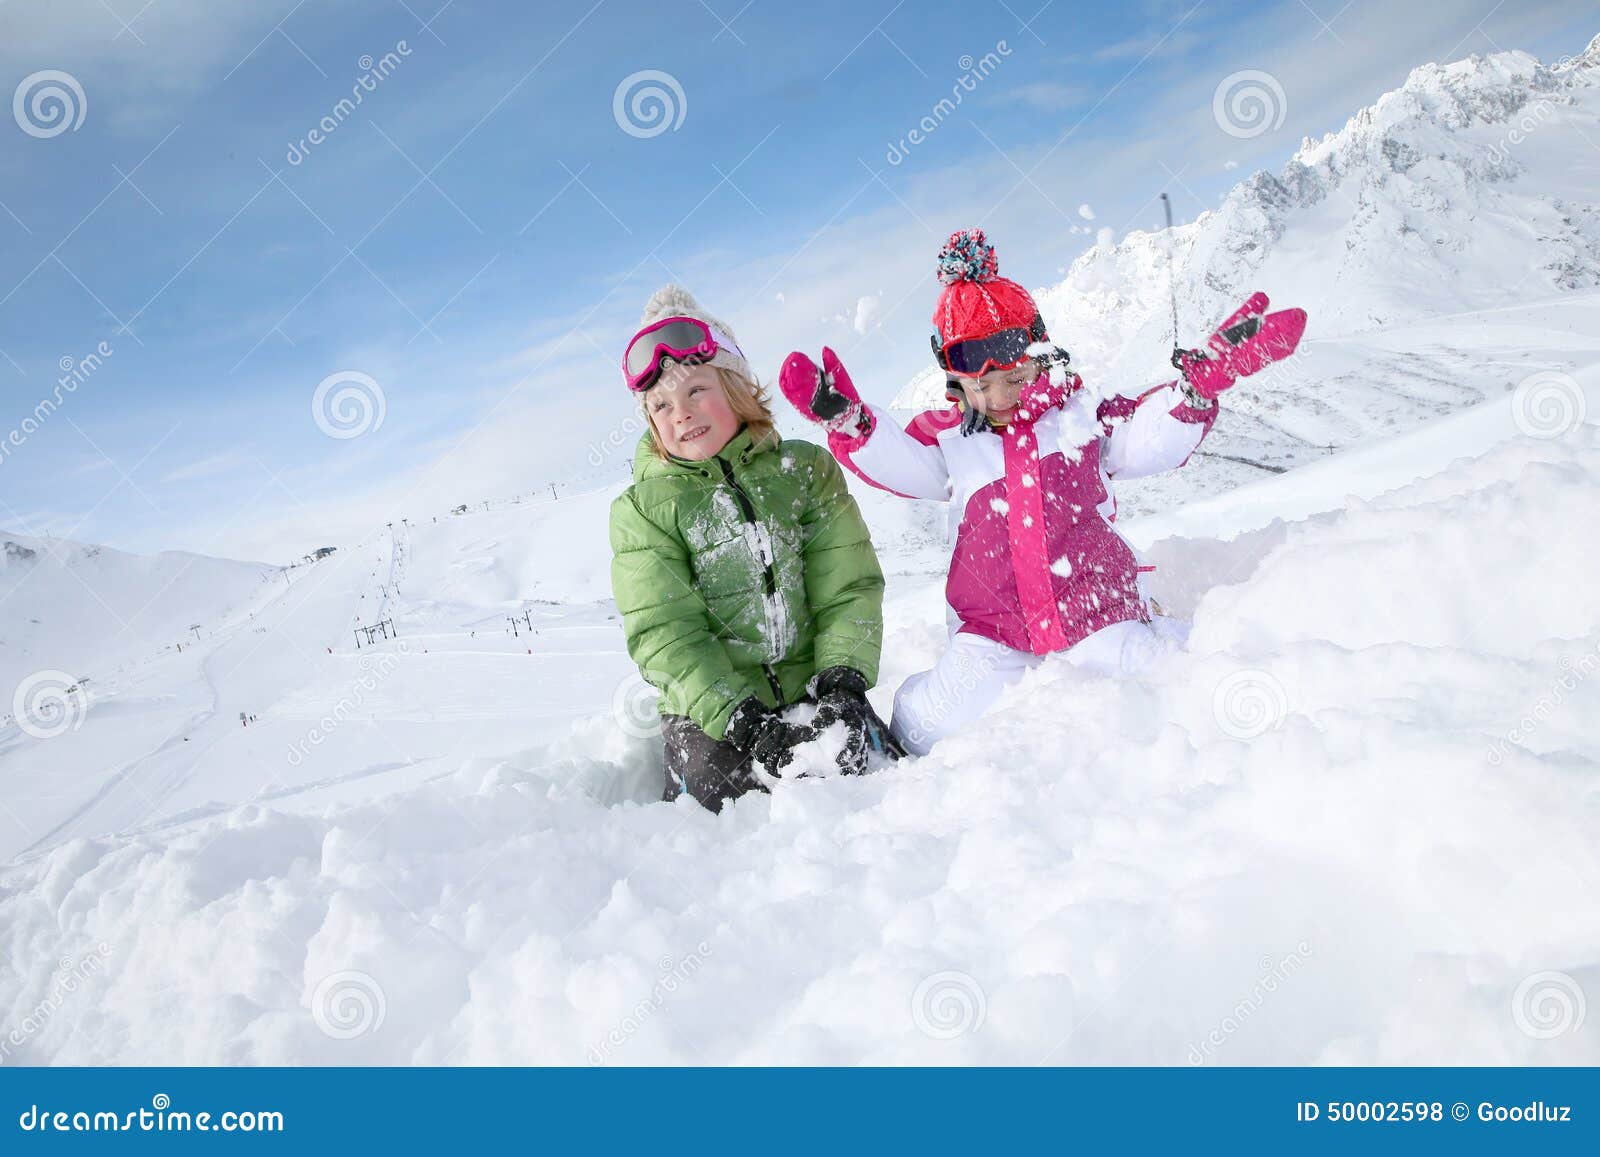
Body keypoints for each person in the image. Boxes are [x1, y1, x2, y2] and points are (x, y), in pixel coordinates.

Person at [779, 228, 1305, 755]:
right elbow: (904, 464)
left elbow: (1146, 439)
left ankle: (1218, 644)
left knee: (1167, 676)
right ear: (956, 383)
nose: (1001, 396)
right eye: (981, 387)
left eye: (1015, 377)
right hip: (994, 627)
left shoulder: (1081, 417)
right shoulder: (951, 439)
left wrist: (1195, 390)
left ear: (1040, 355)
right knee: (928, 727)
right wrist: (851, 423)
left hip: (1091, 608)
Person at [609, 285, 897, 812]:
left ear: (736, 385)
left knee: (873, 774)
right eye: (661, 405)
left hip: (816, 688)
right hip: (715, 716)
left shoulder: (804, 471)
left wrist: (842, 685)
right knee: (729, 804)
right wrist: (741, 719)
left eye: (696, 390)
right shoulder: (644, 510)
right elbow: (665, 634)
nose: (681, 413)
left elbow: (847, 586)